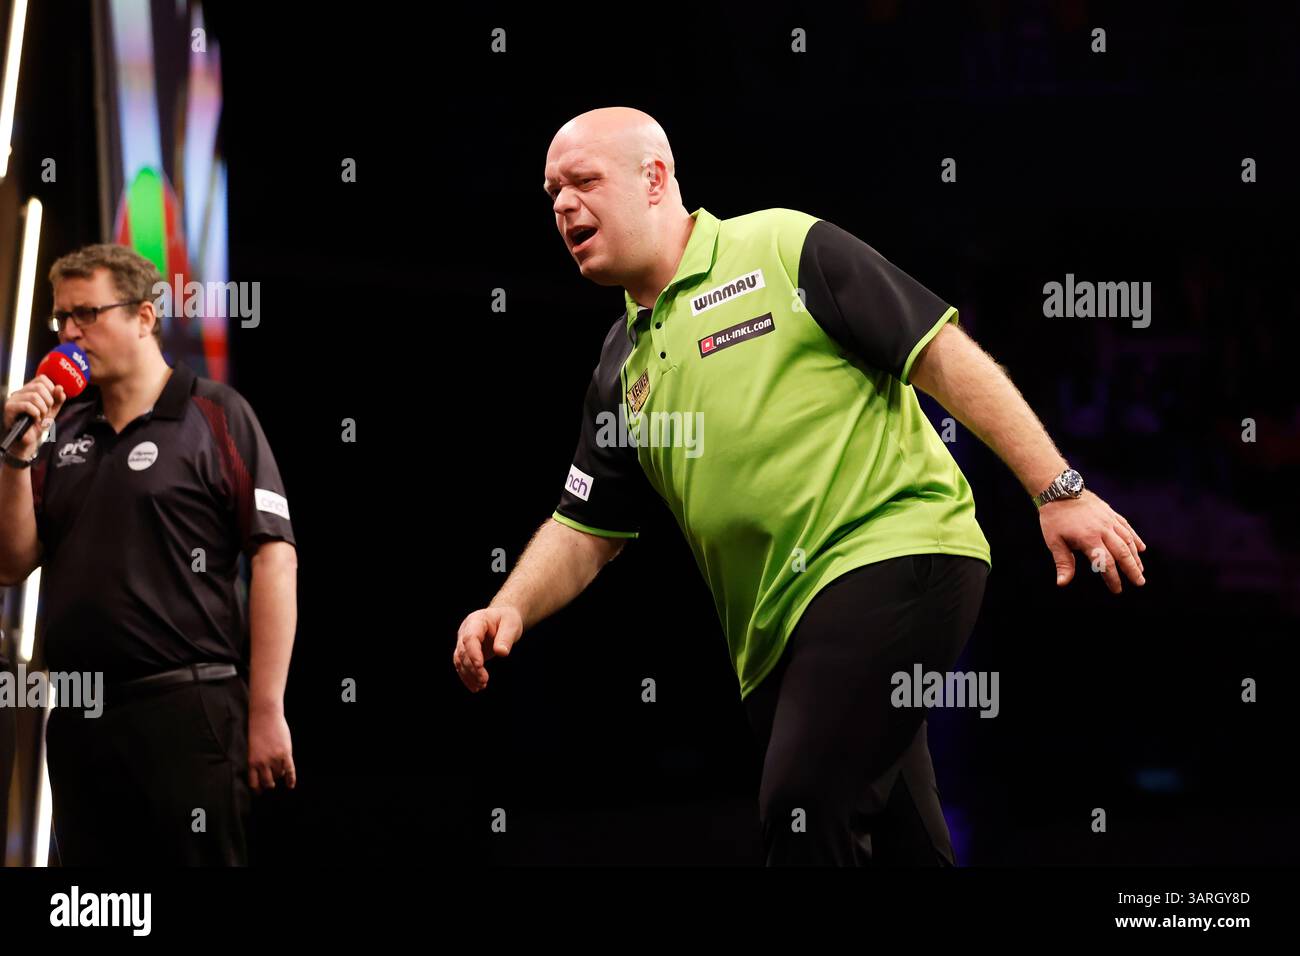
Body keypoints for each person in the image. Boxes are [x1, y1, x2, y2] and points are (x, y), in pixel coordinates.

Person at [453, 107, 1147, 865]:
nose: (561, 204)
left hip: (893, 555)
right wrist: (509, 605)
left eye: (583, 181)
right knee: (900, 846)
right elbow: (586, 526)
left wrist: (1059, 488)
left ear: (655, 180)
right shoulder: (620, 364)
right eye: (551, 190)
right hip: (776, 640)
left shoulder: (780, 246)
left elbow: (937, 352)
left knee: (800, 805)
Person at [0, 243, 299, 865]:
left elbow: (275, 556)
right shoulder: (63, 433)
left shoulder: (215, 414)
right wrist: (16, 454)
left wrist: (267, 709)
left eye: (87, 314)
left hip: (187, 708)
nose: (69, 334)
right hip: (81, 716)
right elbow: (11, 563)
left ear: (144, 316)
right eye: (60, 319)